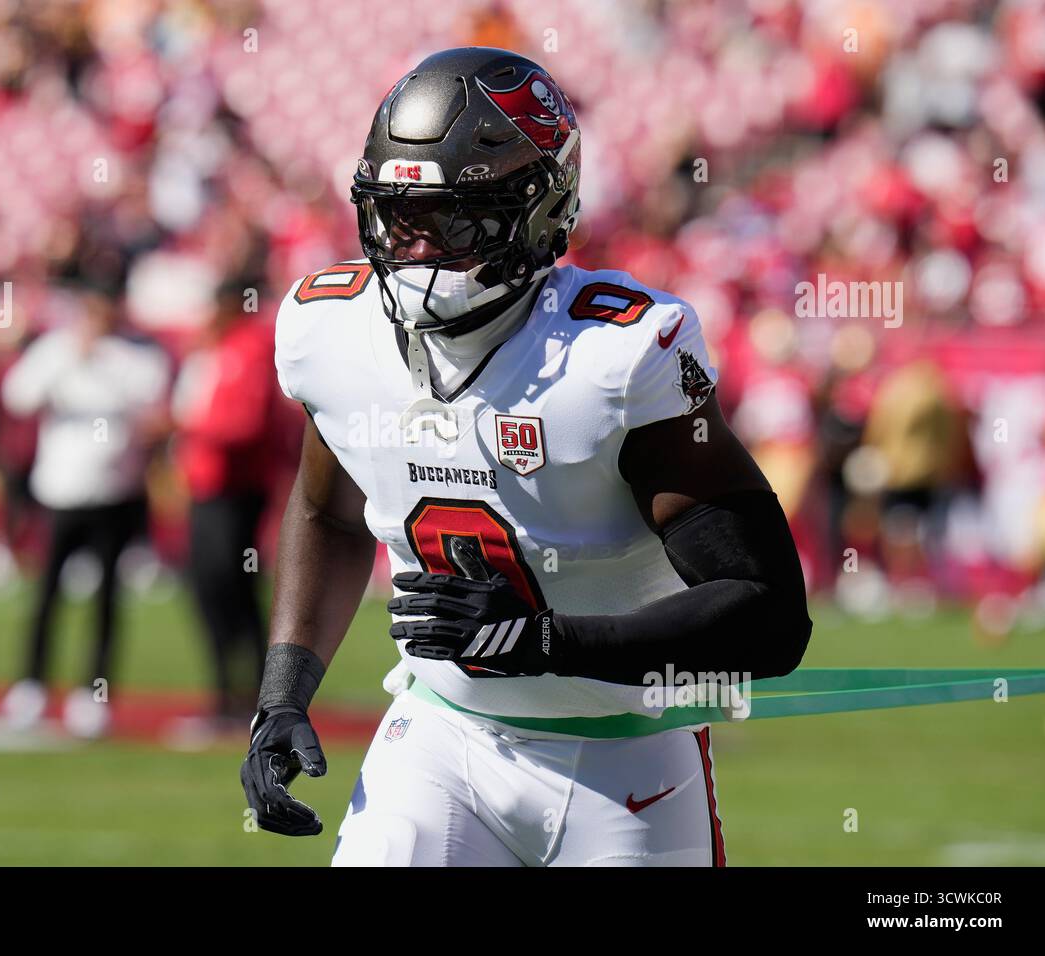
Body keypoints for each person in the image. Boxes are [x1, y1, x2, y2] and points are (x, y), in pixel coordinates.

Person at [240, 48, 811, 866]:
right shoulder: (330, 330)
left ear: (540, 212)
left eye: (453, 220)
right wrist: (283, 696)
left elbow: (767, 614)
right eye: (400, 217)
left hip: (627, 756)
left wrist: (544, 639)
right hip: (440, 732)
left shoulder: (614, 358)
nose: (417, 249)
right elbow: (328, 512)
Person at [0, 281, 170, 738]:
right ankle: (31, 684)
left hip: (115, 493)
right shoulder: (56, 350)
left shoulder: (133, 357)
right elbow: (17, 396)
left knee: (106, 599)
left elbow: (151, 407)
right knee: (47, 594)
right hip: (60, 493)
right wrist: (68, 359)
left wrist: (102, 365)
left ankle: (92, 696)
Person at [171, 276, 295, 739]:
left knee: (229, 588)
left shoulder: (250, 346)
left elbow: (245, 422)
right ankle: (231, 693)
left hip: (233, 488)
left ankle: (255, 696)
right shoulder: (221, 345)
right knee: (213, 589)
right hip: (208, 485)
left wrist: (188, 428)